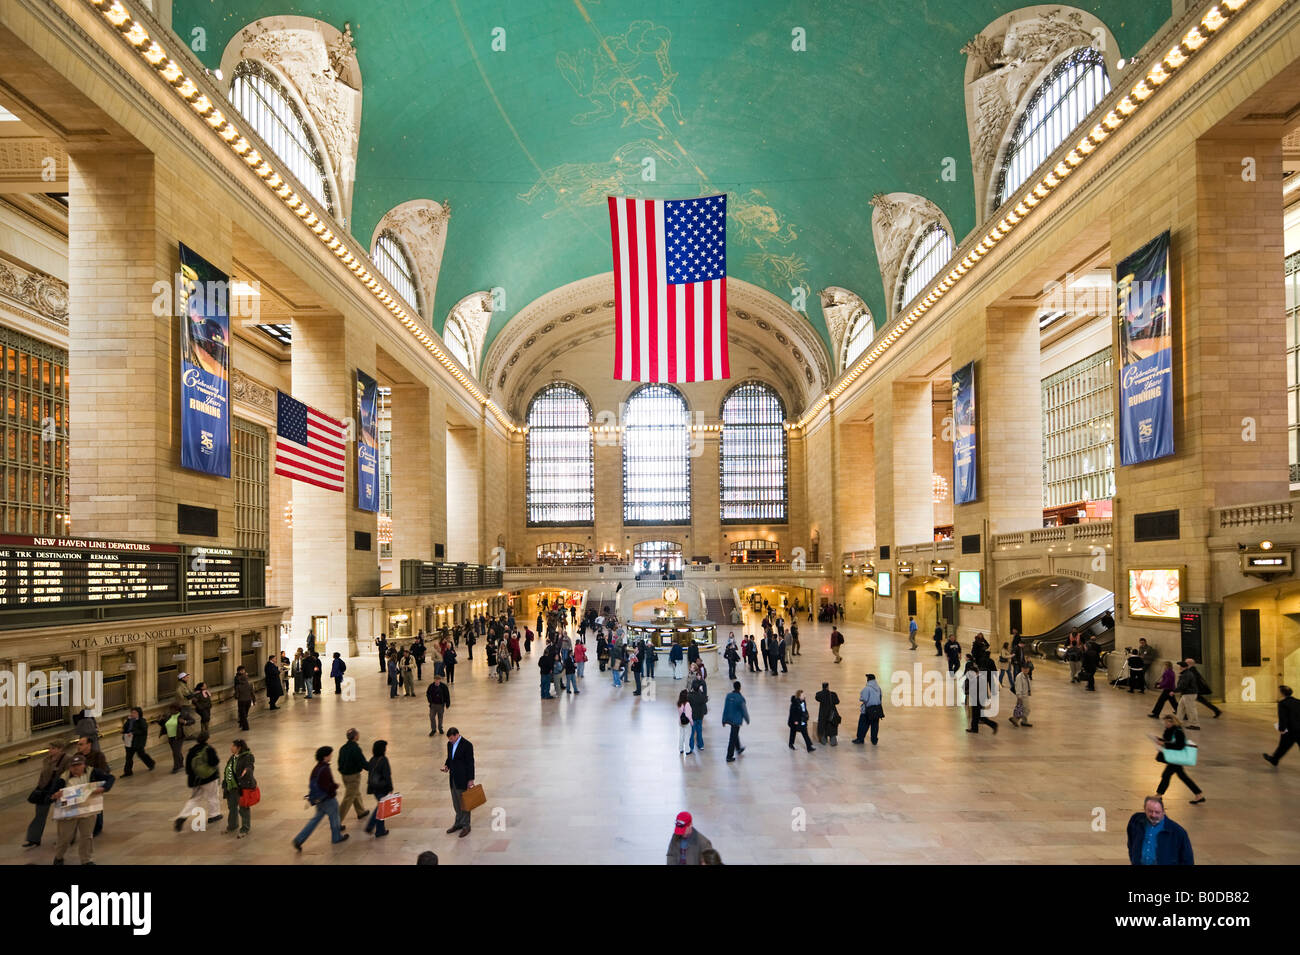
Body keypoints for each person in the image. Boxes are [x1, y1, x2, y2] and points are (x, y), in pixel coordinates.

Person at [51, 755, 113, 866]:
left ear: (84, 765)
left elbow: (110, 778)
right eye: (73, 766)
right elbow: (52, 793)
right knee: (65, 838)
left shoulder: (93, 772)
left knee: (87, 836)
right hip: (69, 813)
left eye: (79, 765)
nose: (76, 768)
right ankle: (59, 857)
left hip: (87, 811)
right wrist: (55, 795)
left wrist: (103, 788)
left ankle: (86, 860)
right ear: (69, 767)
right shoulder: (63, 777)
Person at [293, 746, 349, 850]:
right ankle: (336, 837)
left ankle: (299, 839)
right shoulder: (325, 769)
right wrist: (335, 786)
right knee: (335, 817)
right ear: (325, 756)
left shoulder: (316, 768)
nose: (331, 756)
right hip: (328, 799)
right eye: (330, 754)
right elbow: (327, 786)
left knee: (314, 820)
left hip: (318, 799)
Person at [23, 739, 69, 848]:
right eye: (50, 748)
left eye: (53, 748)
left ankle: (66, 838)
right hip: (45, 790)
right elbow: (43, 775)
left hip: (60, 790)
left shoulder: (67, 759)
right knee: (40, 815)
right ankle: (33, 839)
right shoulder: (46, 760)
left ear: (60, 749)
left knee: (63, 816)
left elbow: (67, 774)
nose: (50, 750)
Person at [174, 731, 222, 832]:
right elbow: (214, 762)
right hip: (209, 778)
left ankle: (182, 816)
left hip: (196, 780)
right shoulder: (209, 749)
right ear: (207, 739)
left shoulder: (192, 750)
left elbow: (188, 768)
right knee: (212, 796)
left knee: (194, 799)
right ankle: (214, 815)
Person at [1126, 795, 1193, 865]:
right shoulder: (1135, 820)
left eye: (1157, 812)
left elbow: (1187, 859)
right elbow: (1131, 843)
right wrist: (1134, 859)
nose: (1153, 815)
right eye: (1150, 811)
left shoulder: (1178, 832)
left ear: (1163, 812)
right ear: (1144, 809)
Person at [1154, 715, 1205, 804]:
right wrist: (1160, 740)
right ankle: (1198, 794)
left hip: (1176, 757)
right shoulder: (1169, 730)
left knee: (1166, 775)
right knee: (1182, 776)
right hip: (1174, 757)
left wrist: (1164, 744)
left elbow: (1179, 746)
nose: (1165, 724)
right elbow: (1169, 741)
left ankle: (1159, 795)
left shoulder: (1178, 731)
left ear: (1172, 722)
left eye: (1167, 722)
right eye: (1165, 722)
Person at [442, 728, 475, 838]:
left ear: (457, 735)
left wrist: (470, 779)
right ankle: (458, 823)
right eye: (449, 739)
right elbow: (450, 758)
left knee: (464, 803)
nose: (451, 741)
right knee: (456, 802)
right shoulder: (449, 744)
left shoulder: (467, 745)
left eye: (452, 738)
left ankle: (466, 825)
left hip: (463, 779)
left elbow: (470, 763)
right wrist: (447, 766)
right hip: (453, 779)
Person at [221, 739, 256, 838]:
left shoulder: (248, 757)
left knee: (243, 808)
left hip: (242, 787)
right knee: (232, 807)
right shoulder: (232, 757)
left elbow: (249, 766)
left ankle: (245, 828)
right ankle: (232, 826)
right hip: (231, 787)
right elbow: (228, 770)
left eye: (233, 746)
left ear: (239, 748)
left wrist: (247, 770)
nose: (231, 748)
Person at [337, 728, 371, 823]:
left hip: (344, 776)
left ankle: (361, 812)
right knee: (348, 798)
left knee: (355, 793)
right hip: (353, 776)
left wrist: (342, 771)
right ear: (356, 736)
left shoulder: (343, 748)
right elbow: (362, 762)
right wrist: (371, 767)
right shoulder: (355, 748)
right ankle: (337, 821)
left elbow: (339, 762)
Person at [1264, 685, 1300, 766]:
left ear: (1282, 693)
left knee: (1283, 746)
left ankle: (1274, 759)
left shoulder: (1283, 703)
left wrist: (1282, 728)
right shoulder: (1298, 701)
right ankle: (1274, 759)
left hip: (1290, 730)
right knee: (1283, 746)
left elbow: (1283, 717)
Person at [364, 740, 393, 838]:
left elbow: (370, 773)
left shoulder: (372, 759)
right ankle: (371, 825)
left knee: (382, 807)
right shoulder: (384, 760)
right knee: (381, 808)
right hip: (383, 787)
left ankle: (380, 830)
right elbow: (387, 775)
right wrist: (390, 787)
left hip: (374, 788)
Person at [120, 706, 155, 776]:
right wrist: (128, 721)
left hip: (138, 742)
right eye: (132, 712)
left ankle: (151, 763)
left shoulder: (142, 721)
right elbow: (125, 728)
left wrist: (133, 733)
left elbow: (143, 730)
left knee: (141, 754)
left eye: (134, 712)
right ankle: (128, 772)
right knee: (128, 757)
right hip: (129, 741)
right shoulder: (130, 721)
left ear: (139, 713)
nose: (133, 714)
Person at [964, 664, 998, 734]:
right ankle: (974, 728)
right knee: (976, 715)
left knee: (979, 716)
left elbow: (973, 690)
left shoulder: (978, 679)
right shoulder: (980, 678)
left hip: (978, 700)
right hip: (978, 699)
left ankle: (993, 725)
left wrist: (967, 691)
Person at [722, 681, 750, 762]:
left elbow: (725, 708)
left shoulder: (728, 696)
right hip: (736, 720)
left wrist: (723, 720)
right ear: (740, 688)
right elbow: (744, 710)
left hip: (729, 719)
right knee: (732, 738)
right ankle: (729, 756)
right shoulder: (740, 698)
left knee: (734, 734)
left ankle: (738, 748)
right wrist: (747, 720)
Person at [853, 674, 883, 745]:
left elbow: (864, 698)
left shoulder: (867, 688)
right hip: (877, 709)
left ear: (868, 679)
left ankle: (860, 739)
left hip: (868, 710)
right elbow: (880, 697)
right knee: (875, 726)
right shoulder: (878, 688)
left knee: (863, 725)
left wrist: (861, 698)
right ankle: (874, 740)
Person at [160, 703, 191, 773]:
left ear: (177, 710)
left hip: (179, 736)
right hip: (170, 736)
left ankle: (176, 767)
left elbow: (192, 721)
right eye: (170, 709)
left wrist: (185, 722)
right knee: (176, 751)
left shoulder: (183, 715)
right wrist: (160, 720)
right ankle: (180, 760)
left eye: (172, 709)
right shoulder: (168, 716)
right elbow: (164, 725)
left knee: (175, 752)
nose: (171, 711)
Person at [1174, 662, 1201, 729]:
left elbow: (1183, 685)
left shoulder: (1187, 674)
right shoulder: (1185, 674)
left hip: (1189, 694)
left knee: (1190, 709)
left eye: (1181, 666)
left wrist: (1174, 691)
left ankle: (1195, 725)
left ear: (1185, 667)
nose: (1179, 667)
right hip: (1186, 694)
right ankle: (1178, 722)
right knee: (1180, 708)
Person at [687, 681, 708, 754]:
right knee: (699, 731)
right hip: (700, 716)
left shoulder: (690, 696)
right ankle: (701, 745)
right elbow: (706, 699)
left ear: (692, 688)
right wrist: (702, 692)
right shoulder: (701, 696)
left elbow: (686, 701)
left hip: (693, 717)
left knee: (692, 733)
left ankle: (690, 747)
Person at [233, 666, 255, 731]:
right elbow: (252, 693)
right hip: (248, 699)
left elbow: (236, 695)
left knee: (243, 713)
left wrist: (236, 696)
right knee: (244, 713)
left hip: (241, 700)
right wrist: (254, 700)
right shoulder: (249, 684)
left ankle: (244, 725)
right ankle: (243, 724)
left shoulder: (238, 686)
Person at [676, 690, 693, 755]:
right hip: (687, 723)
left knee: (681, 735)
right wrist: (691, 722)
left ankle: (680, 749)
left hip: (681, 722)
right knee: (687, 736)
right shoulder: (687, 704)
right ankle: (687, 750)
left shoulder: (679, 703)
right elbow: (688, 715)